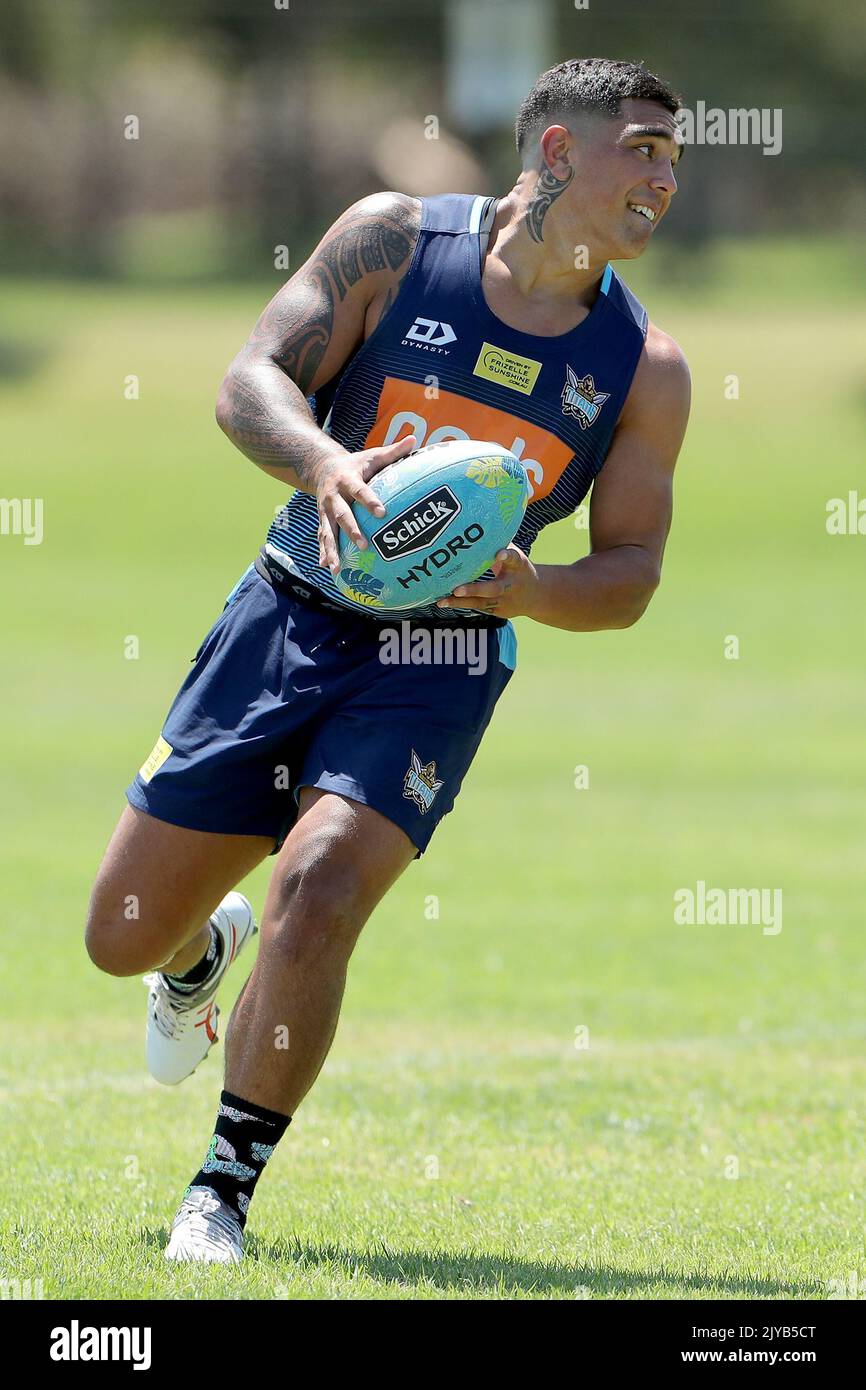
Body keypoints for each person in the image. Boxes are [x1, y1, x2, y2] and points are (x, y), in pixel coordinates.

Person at [86, 57, 690, 1263]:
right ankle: (202, 953)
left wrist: (533, 588)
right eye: (641, 150)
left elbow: (626, 576)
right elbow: (246, 380)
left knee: (320, 884)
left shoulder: (643, 371)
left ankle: (222, 1189)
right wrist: (321, 462)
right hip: (286, 610)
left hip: (439, 658)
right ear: (557, 155)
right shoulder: (395, 244)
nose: (662, 179)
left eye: (674, 160)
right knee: (122, 935)